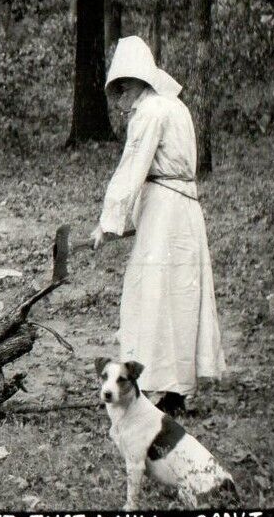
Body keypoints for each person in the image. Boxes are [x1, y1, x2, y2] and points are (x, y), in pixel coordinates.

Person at [90, 36, 225, 416]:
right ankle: (174, 389)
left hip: (167, 216)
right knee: (177, 294)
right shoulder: (174, 106)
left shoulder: (151, 111)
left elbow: (132, 169)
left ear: (140, 81)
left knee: (154, 294)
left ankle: (156, 388)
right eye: (117, 89)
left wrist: (108, 222)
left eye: (124, 87)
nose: (121, 97)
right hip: (181, 212)